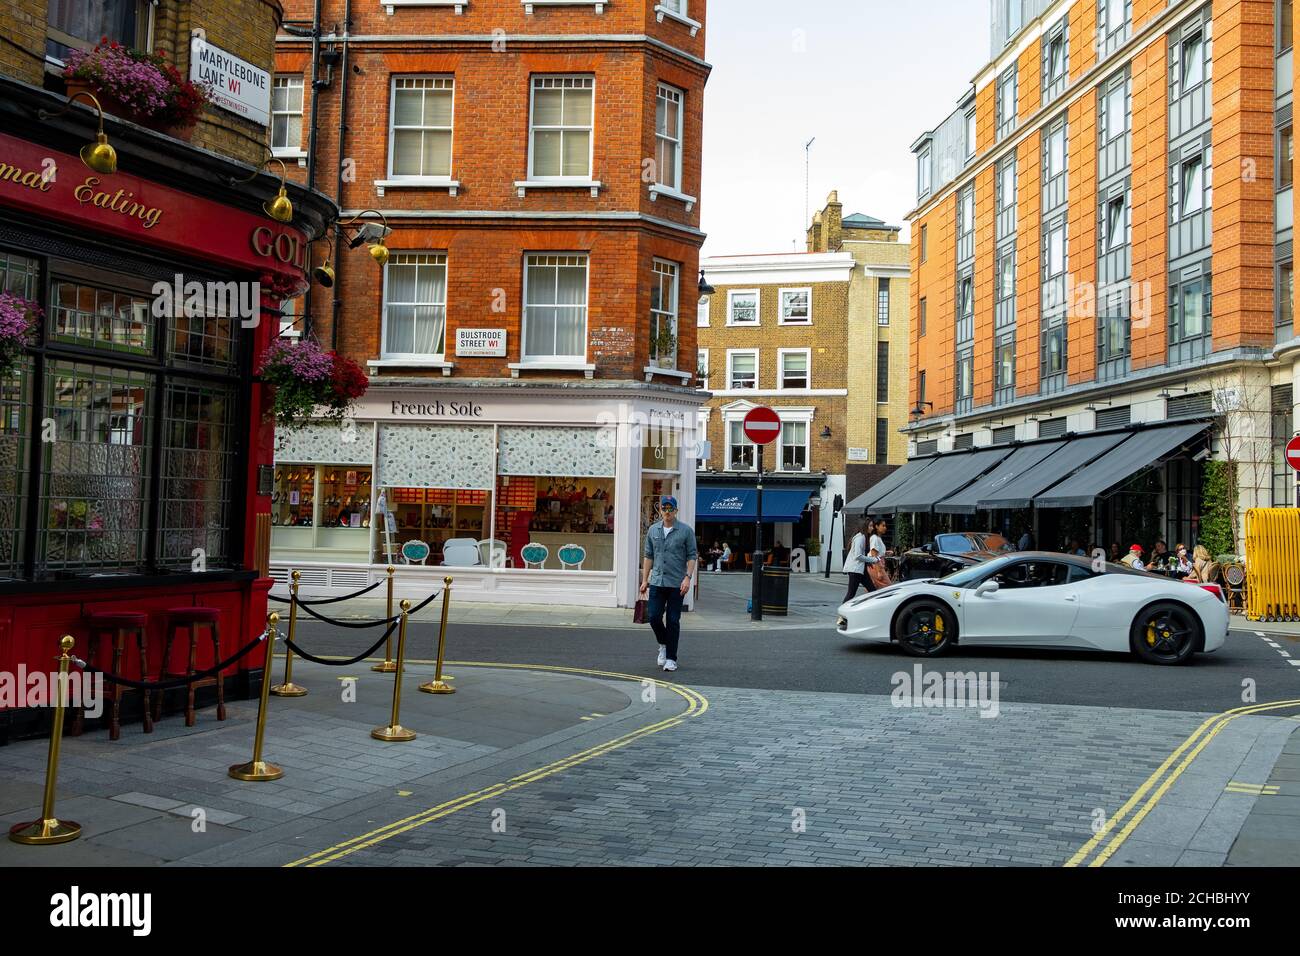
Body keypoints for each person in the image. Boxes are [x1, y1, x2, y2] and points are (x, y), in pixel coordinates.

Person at [639, 496, 697, 672]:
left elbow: (692, 555)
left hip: (676, 583)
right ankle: (663, 644)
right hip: (657, 581)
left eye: (670, 509)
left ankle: (671, 658)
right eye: (664, 509)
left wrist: (688, 577)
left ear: (676, 511)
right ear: (660, 511)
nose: (667, 512)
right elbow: (648, 556)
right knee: (654, 617)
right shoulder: (653, 530)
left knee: (673, 620)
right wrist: (644, 580)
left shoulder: (686, 531)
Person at [843, 520, 877, 602]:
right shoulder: (860, 538)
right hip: (856, 570)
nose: (872, 528)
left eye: (872, 526)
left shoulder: (863, 537)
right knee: (851, 594)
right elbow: (858, 556)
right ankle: (842, 612)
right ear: (865, 527)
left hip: (861, 570)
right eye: (870, 526)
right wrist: (873, 560)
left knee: (873, 591)